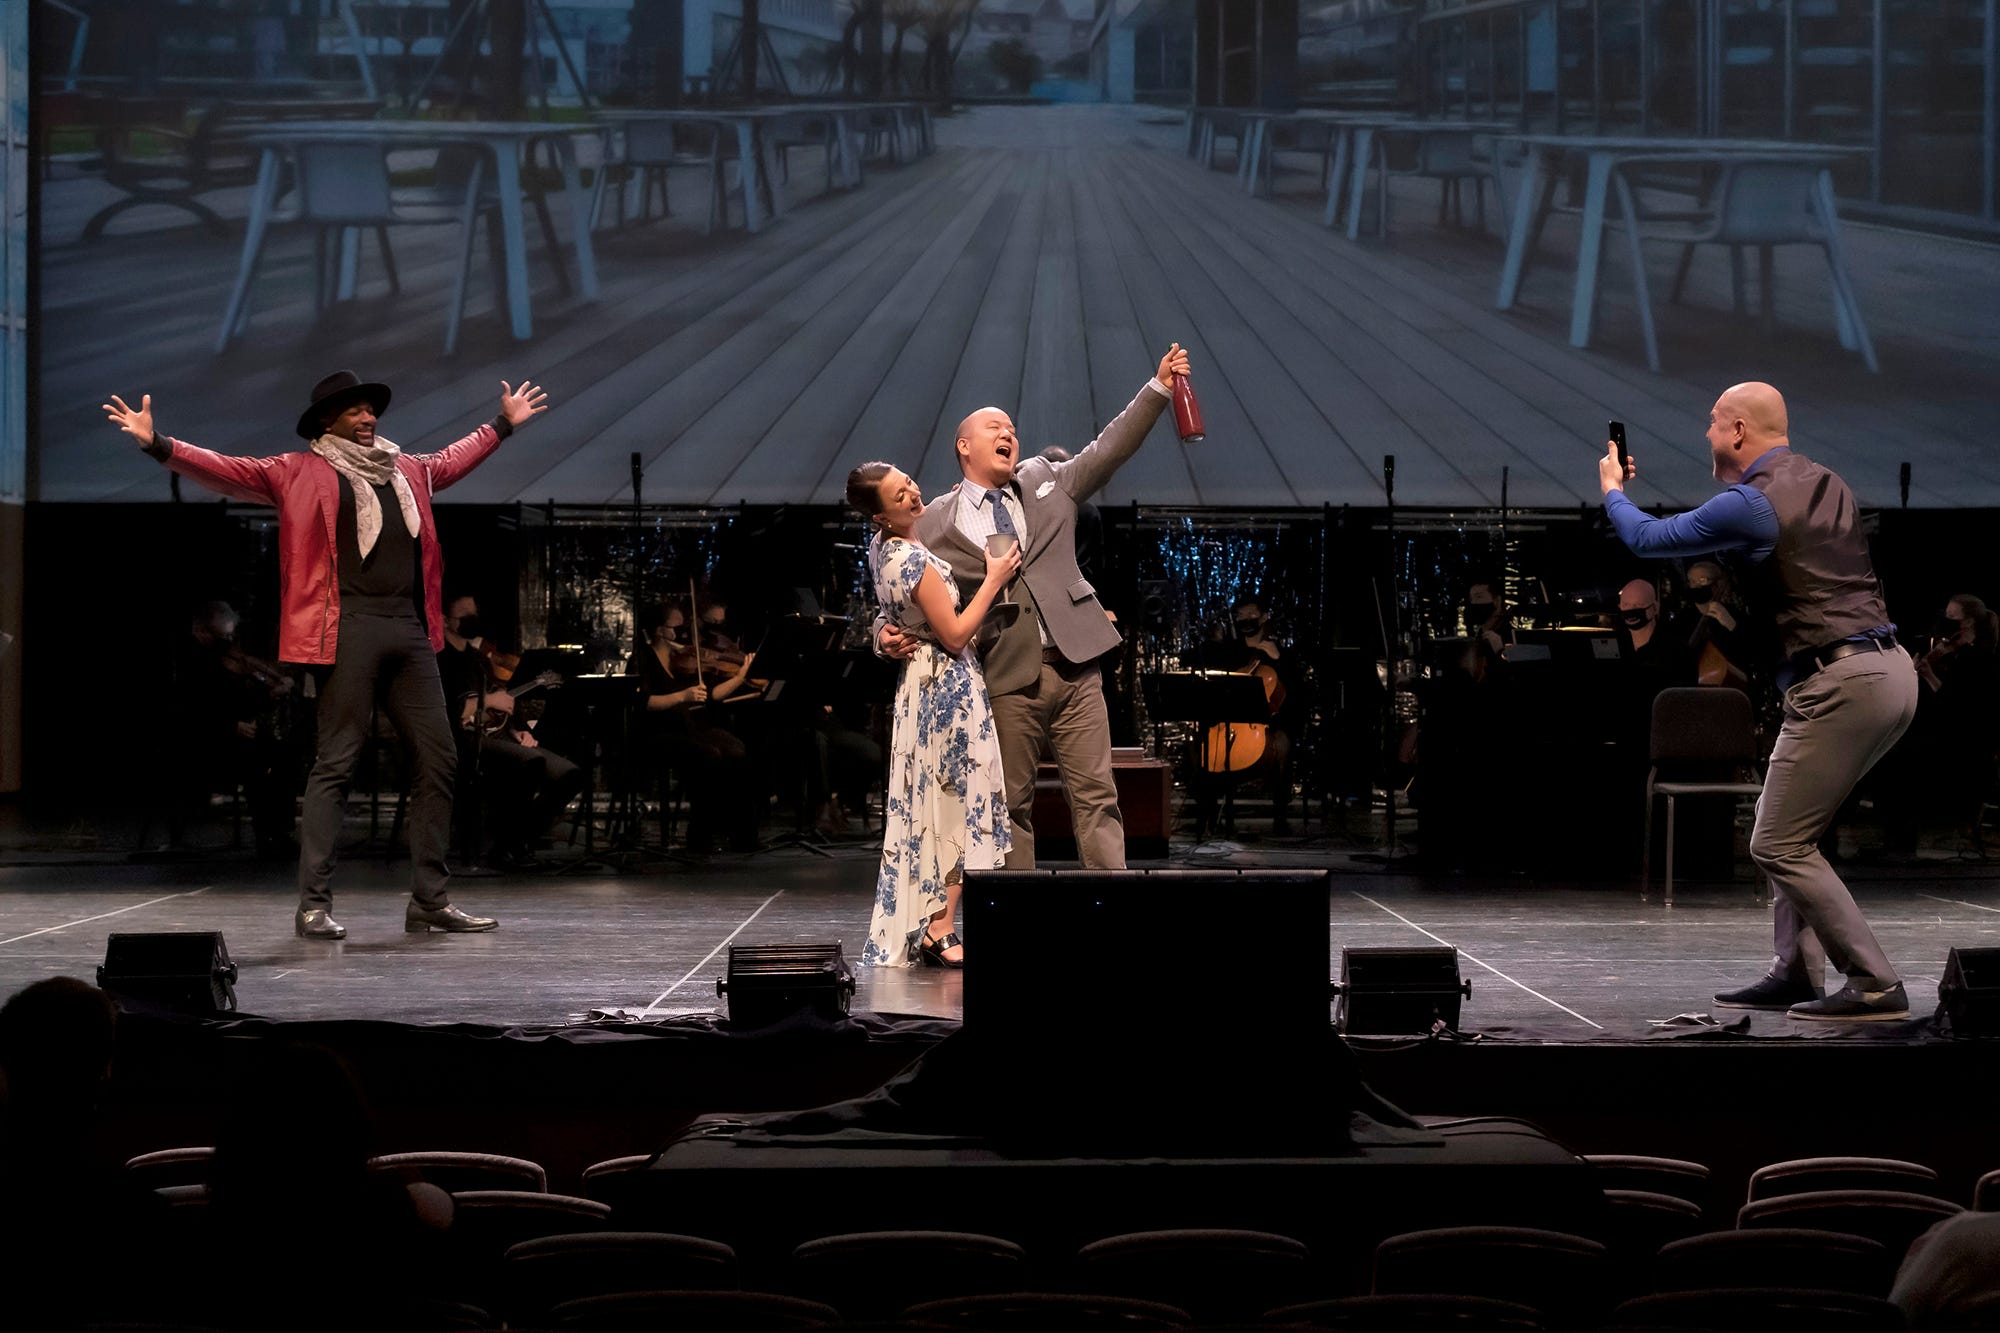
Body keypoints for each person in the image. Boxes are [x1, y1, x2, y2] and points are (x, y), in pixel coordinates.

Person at [105, 370, 548, 939]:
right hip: (347, 626)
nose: (369, 418)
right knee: (337, 761)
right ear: (325, 420)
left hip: (409, 629)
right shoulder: (297, 471)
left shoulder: (407, 469)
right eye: (356, 411)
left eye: (371, 410)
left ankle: (430, 900)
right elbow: (227, 469)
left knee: (440, 759)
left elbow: (451, 460)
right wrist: (158, 443)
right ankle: (313, 904)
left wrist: (501, 426)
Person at [1600, 380, 1918, 1020]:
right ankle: (1795, 970)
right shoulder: (1828, 482)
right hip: (1887, 672)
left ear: (1739, 430)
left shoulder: (1753, 502)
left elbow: (1648, 540)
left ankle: (1874, 982)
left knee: (1776, 843)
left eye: (1713, 422)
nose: (1707, 434)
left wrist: (1613, 490)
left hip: (1841, 682)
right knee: (1793, 829)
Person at [880, 343, 1192, 868]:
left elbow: (1110, 448)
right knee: (1009, 807)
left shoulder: (1047, 478)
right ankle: (1016, 911)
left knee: (1098, 798)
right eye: (994, 427)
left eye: (1012, 428)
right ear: (964, 446)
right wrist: (880, 633)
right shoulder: (934, 521)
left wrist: (1158, 387)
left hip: (1075, 666)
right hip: (1006, 674)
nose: (1008, 433)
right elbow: (898, 582)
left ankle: (1111, 904)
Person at [851, 461, 1021, 967]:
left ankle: (934, 920)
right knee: (956, 806)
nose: (911, 492)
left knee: (939, 805)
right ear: (881, 516)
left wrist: (884, 631)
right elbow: (954, 634)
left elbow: (896, 612)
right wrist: (994, 578)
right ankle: (940, 928)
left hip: (923, 685)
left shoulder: (881, 547)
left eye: (907, 481)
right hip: (947, 688)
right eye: (898, 494)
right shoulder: (910, 559)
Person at [439, 594, 585, 870]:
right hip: (463, 739)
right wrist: (488, 702)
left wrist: (518, 730)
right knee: (529, 762)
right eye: (464, 616)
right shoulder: (439, 659)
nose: (472, 621)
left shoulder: (478, 658)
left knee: (570, 775)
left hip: (497, 734)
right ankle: (504, 846)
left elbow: (501, 702)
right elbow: (448, 710)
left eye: (474, 615)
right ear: (445, 620)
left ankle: (517, 839)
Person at [628, 600, 760, 853]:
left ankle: (743, 834)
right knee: (709, 754)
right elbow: (643, 703)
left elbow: (712, 695)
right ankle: (700, 835)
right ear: (660, 630)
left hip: (688, 727)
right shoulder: (642, 659)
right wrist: (682, 696)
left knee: (736, 749)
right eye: (677, 628)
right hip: (658, 733)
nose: (683, 634)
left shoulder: (684, 659)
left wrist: (740, 676)